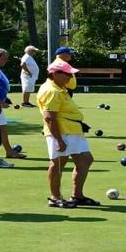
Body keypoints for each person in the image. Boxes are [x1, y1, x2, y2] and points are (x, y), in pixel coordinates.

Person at [38, 59, 98, 209]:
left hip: (73, 131)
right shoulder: (51, 91)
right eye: (66, 74)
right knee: (58, 163)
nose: (70, 77)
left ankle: (77, 196)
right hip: (61, 132)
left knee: (85, 160)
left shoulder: (60, 88)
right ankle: (55, 197)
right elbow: (49, 117)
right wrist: (58, 140)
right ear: (54, 74)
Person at [0, 49, 24, 158]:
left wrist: (6, 99)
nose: (6, 60)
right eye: (4, 58)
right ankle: (9, 152)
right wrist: (0, 102)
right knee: (2, 128)